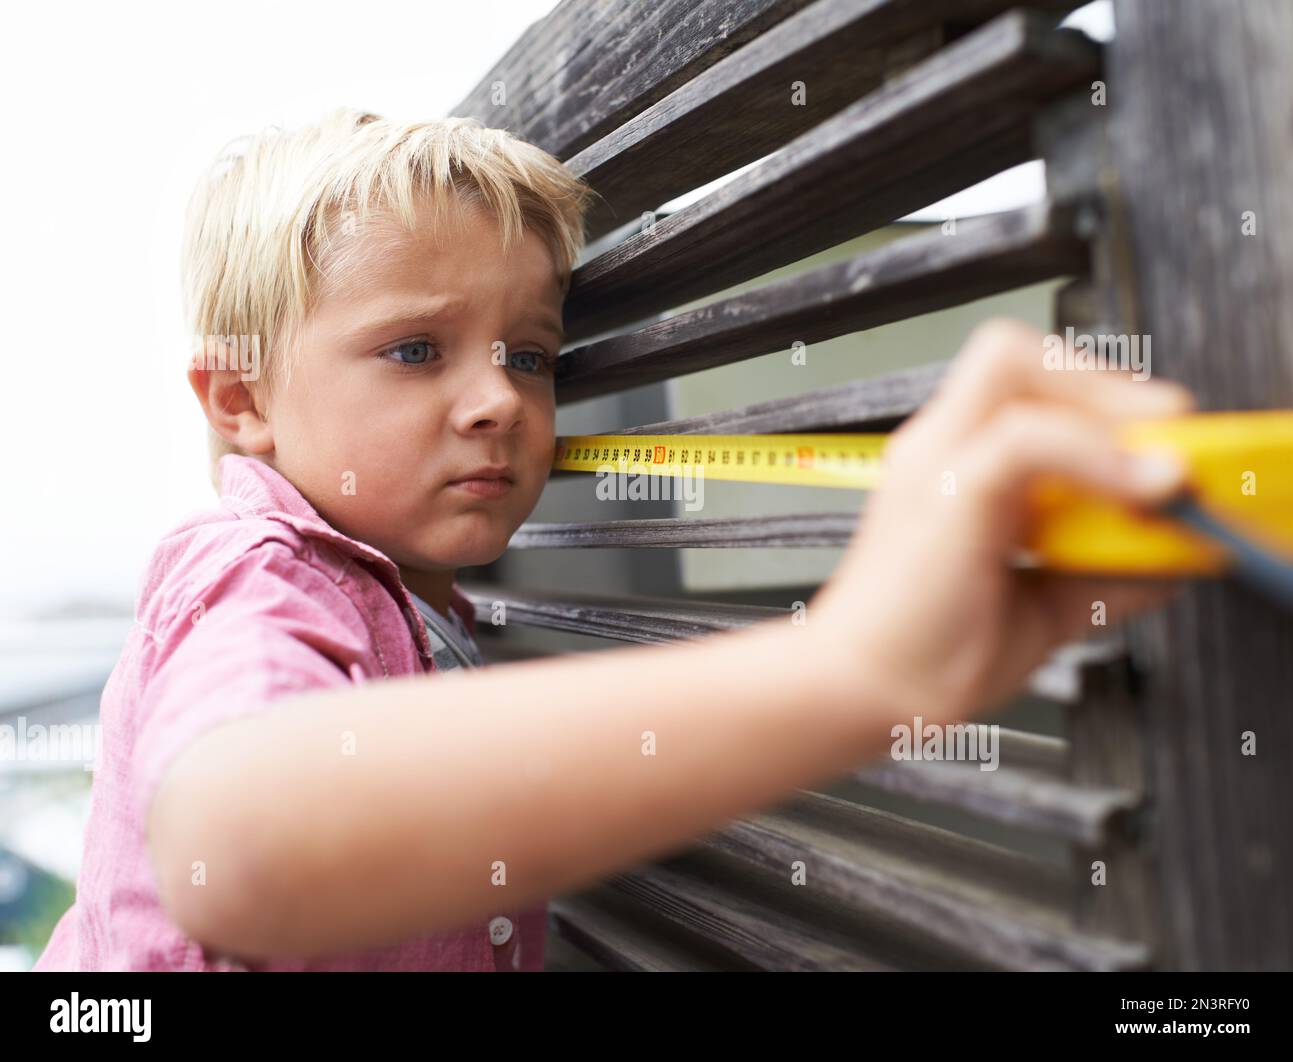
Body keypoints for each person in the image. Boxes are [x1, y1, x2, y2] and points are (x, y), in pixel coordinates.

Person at [32, 108, 1193, 971]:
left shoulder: (412, 598)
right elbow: (233, 841)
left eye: (529, 355)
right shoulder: (261, 584)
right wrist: (853, 667)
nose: (497, 400)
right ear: (242, 405)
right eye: (414, 351)